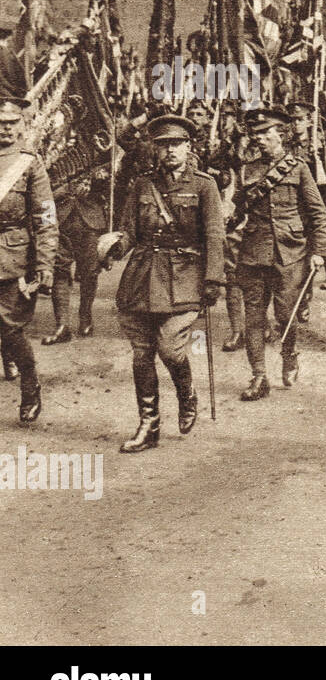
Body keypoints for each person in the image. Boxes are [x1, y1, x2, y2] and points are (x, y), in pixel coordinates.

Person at [107, 115, 224, 453]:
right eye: (163, 145)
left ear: (189, 147)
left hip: (184, 277)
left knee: (171, 349)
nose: (170, 150)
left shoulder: (204, 185)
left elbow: (214, 236)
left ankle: (186, 395)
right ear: (155, 150)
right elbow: (130, 230)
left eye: (176, 144)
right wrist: (116, 246)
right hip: (142, 277)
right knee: (142, 355)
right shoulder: (142, 184)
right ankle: (149, 424)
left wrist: (213, 278)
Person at [231, 106, 326, 400]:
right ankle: (259, 376)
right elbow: (237, 212)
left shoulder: (299, 168)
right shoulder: (246, 170)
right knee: (253, 317)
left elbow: (318, 214)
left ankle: (289, 354)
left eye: (266, 132)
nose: (259, 138)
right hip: (253, 253)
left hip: (291, 254)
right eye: (256, 133)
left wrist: (320, 252)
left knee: (285, 314)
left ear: (282, 134)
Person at [0, 96, 56, 423]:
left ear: (22, 124)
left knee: (9, 327)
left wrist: (45, 263)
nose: (5, 130)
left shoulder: (28, 163)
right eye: (0, 123)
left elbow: (46, 217)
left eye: (11, 123)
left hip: (14, 257)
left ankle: (30, 382)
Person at [43, 165, 109, 343]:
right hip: (58, 217)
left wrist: (100, 178)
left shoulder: (99, 144)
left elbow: (116, 178)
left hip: (90, 219)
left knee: (90, 272)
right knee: (59, 270)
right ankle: (62, 325)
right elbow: (41, 183)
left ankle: (85, 315)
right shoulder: (50, 142)